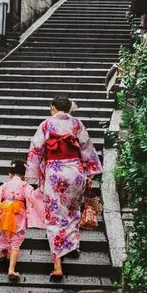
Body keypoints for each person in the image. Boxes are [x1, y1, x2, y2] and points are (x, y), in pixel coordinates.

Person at [25, 96, 102, 281]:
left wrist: (34, 173)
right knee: (73, 210)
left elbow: (36, 150)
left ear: (53, 108)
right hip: (75, 171)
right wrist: (90, 171)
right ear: (69, 109)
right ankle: (73, 245)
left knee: (54, 216)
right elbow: (86, 147)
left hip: (55, 172)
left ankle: (57, 266)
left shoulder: (46, 125)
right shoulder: (77, 124)